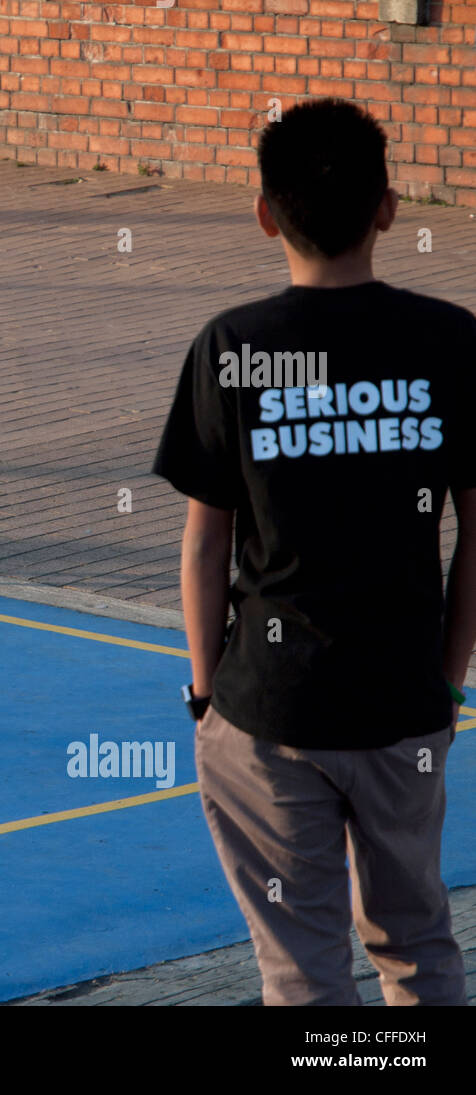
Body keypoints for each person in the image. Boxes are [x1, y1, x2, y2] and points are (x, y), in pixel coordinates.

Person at [152, 97, 473, 1006]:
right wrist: (447, 683)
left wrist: (208, 691)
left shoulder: (231, 349)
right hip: (403, 705)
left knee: (302, 967)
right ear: (389, 208)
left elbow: (206, 538)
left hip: (270, 708)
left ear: (264, 214)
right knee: (416, 940)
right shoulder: (450, 342)